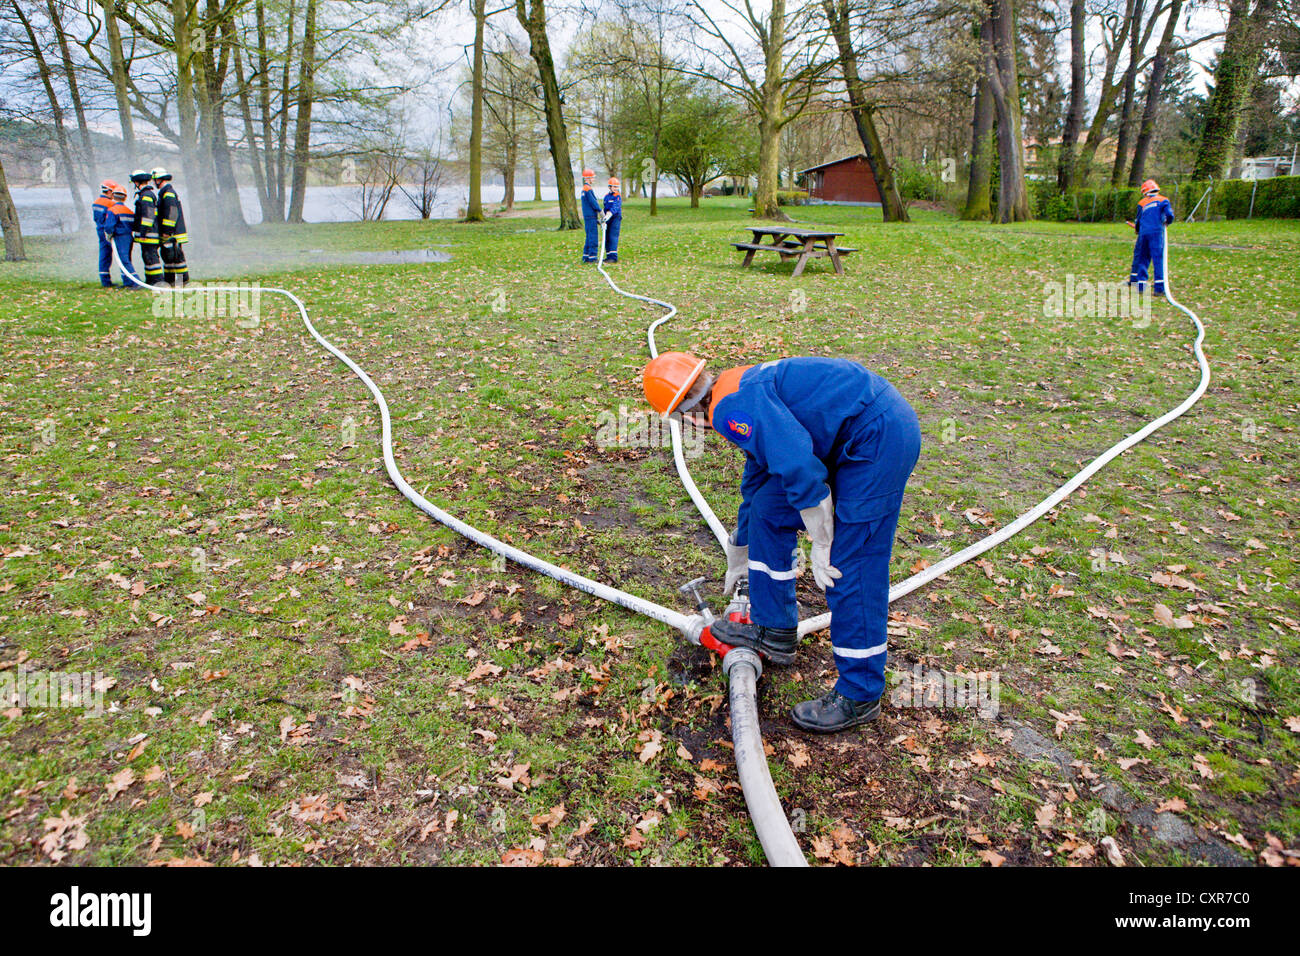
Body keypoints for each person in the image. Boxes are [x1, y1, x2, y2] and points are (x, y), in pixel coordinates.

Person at [642, 353, 922, 732]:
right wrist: (739, 552)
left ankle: (860, 693)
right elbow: (760, 475)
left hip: (876, 439)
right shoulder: (731, 390)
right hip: (848, 432)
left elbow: (798, 468)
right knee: (767, 511)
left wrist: (822, 542)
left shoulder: (729, 409)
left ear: (685, 416)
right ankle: (775, 629)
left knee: (851, 563)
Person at [1127, 179, 1174, 296]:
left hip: (1143, 234)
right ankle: (1159, 288)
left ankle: (1141, 286)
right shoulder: (1164, 200)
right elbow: (1170, 215)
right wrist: (1167, 222)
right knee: (1158, 259)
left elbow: (1138, 220)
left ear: (1144, 192)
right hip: (1157, 233)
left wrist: (1137, 231)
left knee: (1143, 259)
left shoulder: (1142, 203)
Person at [152, 167, 189, 286]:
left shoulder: (168, 193)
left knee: (177, 257)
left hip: (173, 234)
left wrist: (167, 230)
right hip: (168, 233)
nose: (154, 182)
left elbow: (172, 213)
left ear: (159, 179)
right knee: (168, 257)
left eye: (155, 180)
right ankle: (170, 280)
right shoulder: (164, 192)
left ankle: (182, 280)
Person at [130, 169, 164, 285]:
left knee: (152, 258)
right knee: (147, 257)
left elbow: (148, 216)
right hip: (148, 234)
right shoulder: (145, 195)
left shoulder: (146, 196)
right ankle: (150, 281)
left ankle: (158, 281)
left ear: (136, 182)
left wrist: (144, 232)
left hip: (149, 234)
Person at [105, 185, 140, 287]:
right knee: (126, 259)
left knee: (124, 260)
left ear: (113, 196)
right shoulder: (128, 211)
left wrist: (109, 235)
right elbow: (134, 225)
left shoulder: (113, 210)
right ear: (125, 197)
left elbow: (109, 226)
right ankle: (127, 282)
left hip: (120, 237)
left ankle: (135, 282)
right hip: (129, 237)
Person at [92, 180, 118, 288]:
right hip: (108, 231)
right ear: (109, 191)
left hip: (99, 230)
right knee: (118, 254)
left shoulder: (96, 202)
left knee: (104, 254)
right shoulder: (111, 204)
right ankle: (127, 280)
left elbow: (96, 218)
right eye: (114, 192)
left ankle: (105, 281)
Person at [581, 169, 601, 263]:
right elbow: (594, 203)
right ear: (588, 178)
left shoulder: (584, 189)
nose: (594, 179)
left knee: (589, 236)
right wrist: (601, 212)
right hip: (591, 216)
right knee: (593, 237)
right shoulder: (588, 189)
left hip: (587, 216)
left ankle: (586, 256)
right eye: (593, 177)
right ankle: (592, 258)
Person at [602, 177, 622, 263]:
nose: (615, 189)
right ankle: (608, 256)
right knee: (607, 237)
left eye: (616, 187)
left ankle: (613, 257)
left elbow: (616, 207)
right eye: (613, 187)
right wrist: (603, 217)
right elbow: (605, 207)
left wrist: (609, 214)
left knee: (613, 237)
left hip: (615, 218)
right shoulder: (606, 196)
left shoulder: (617, 196)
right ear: (609, 187)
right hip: (607, 218)